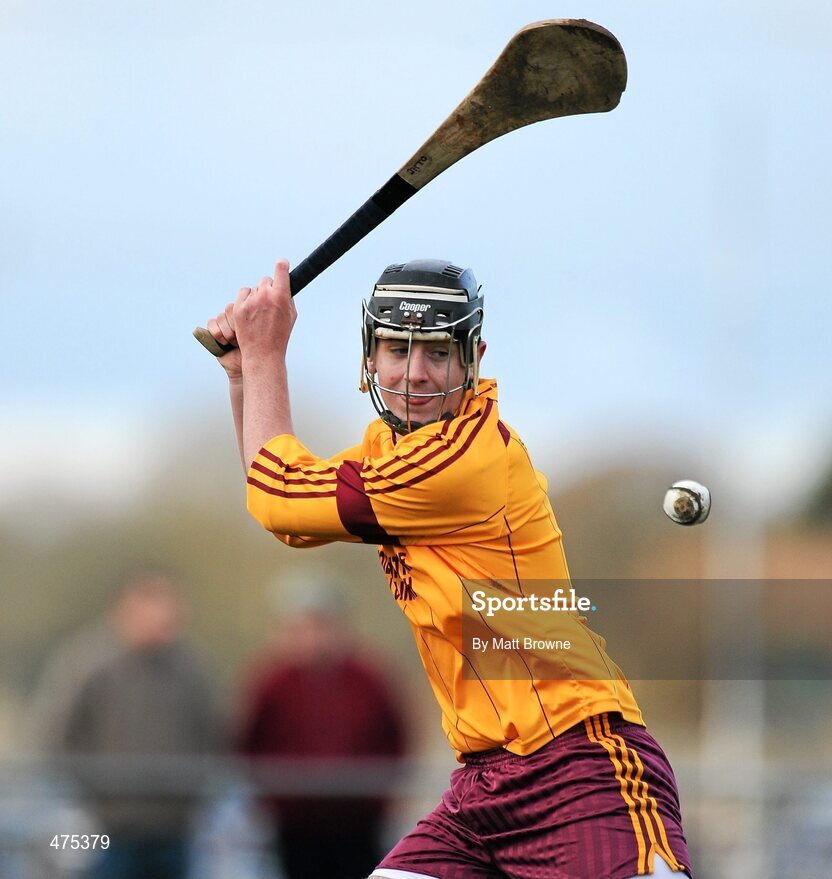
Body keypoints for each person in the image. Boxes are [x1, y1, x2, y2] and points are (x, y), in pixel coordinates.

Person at [205, 258, 692, 878]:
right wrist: (244, 374)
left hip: (579, 770)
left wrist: (267, 355)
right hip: (482, 788)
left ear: (473, 358)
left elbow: (280, 498)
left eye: (438, 352)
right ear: (369, 356)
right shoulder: (391, 450)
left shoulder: (460, 461)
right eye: (396, 350)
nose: (415, 372)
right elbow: (288, 514)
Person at [34, 568, 222, 879]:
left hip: (174, 829)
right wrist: (93, 794)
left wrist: (195, 796)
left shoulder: (192, 669)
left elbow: (213, 736)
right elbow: (56, 735)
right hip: (106, 829)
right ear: (126, 609)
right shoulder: (87, 662)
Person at [236, 568, 408, 878]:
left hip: (359, 822)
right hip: (295, 825)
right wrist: (272, 800)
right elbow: (250, 741)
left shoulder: (368, 679)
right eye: (302, 627)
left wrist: (380, 796)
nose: (313, 637)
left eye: (320, 625)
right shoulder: (272, 682)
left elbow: (395, 735)